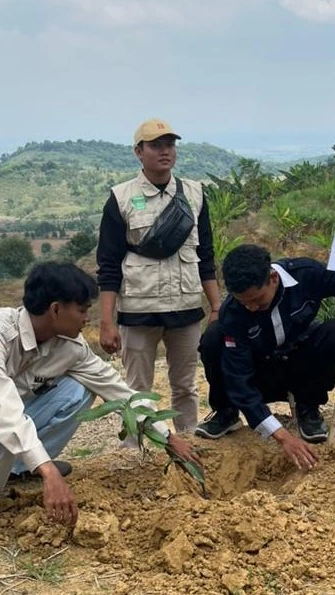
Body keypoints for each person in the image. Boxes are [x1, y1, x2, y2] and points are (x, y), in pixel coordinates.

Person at [0, 262, 200, 529]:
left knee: (81, 387)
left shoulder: (68, 347)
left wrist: (166, 437)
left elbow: (117, 389)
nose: (87, 318)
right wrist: (48, 470)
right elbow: (2, 412)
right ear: (56, 309)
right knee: (1, 434)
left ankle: (18, 468)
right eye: (82, 310)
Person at [196, 199, 335, 470]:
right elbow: (239, 379)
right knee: (213, 338)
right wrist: (282, 437)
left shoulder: (307, 275)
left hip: (300, 368)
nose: (251, 307)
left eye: (257, 300)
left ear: (273, 278)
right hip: (259, 374)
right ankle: (226, 412)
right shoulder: (233, 313)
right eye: (243, 302)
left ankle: (308, 408)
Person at [96, 118, 220, 436]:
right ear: (139, 151)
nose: (165, 151)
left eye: (170, 145)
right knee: (137, 389)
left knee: (186, 386)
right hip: (138, 310)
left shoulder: (195, 195)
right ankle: (136, 451)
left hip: (186, 307)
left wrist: (217, 306)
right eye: (155, 145)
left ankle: (189, 441)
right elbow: (108, 265)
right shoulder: (121, 198)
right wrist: (106, 321)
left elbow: (206, 256)